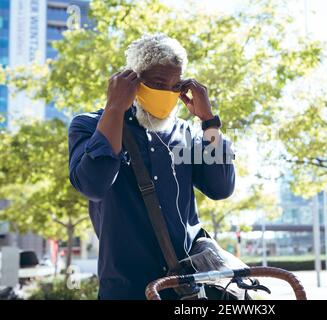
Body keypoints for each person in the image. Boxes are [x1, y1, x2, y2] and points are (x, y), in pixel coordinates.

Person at [68, 33, 235, 300]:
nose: (169, 94)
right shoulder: (88, 125)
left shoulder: (187, 133)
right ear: (132, 80)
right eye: (158, 83)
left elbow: (221, 187)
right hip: (126, 290)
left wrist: (209, 121)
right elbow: (93, 185)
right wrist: (114, 108)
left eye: (176, 86)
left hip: (189, 289)